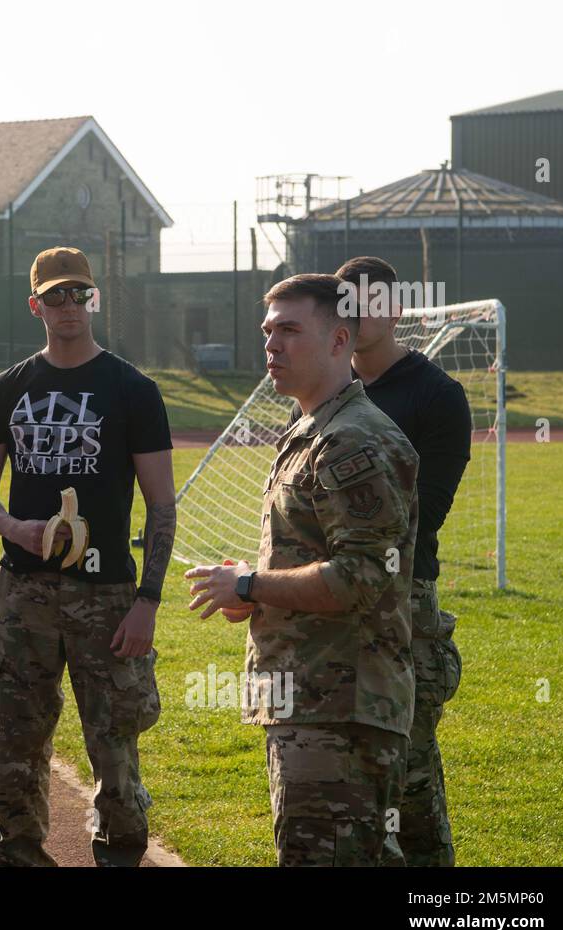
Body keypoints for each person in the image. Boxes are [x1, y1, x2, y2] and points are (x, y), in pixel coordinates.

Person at [186, 273, 419, 866]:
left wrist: (248, 584)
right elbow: (319, 559)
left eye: (290, 330)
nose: (272, 345)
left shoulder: (351, 442)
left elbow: (361, 579)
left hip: (339, 710)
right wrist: (257, 589)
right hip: (312, 700)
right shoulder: (314, 430)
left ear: (340, 340)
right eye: (268, 331)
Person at [0, 247, 174, 867]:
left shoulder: (134, 390)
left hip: (107, 594)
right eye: (55, 296)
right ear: (35, 306)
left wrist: (148, 602)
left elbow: (161, 507)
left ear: (93, 300)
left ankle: (121, 846)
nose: (69, 307)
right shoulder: (1, 391)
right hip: (25, 590)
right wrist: (17, 529)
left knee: (114, 733)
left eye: (79, 294)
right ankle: (21, 847)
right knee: (20, 728)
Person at [287, 256, 469, 866]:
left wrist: (352, 568)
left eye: (371, 301)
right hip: (330, 608)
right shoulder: (322, 395)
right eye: (347, 302)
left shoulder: (436, 395)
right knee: (353, 786)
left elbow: (425, 515)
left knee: (408, 779)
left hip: (402, 607)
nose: (359, 312)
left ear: (396, 309)